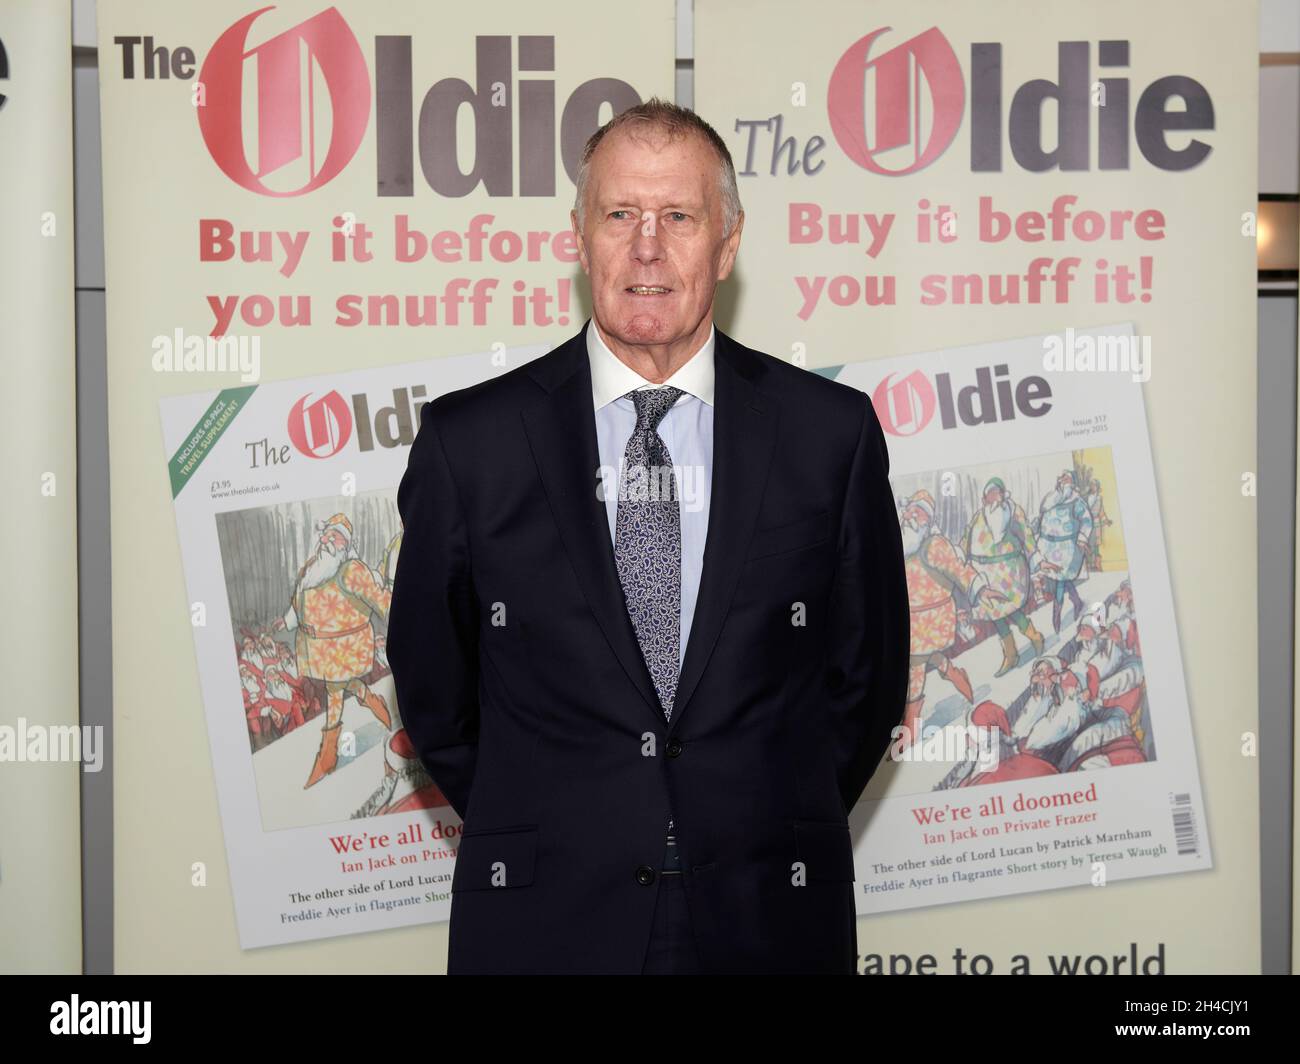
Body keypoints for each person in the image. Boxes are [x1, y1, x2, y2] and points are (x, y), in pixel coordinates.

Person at [386, 98, 909, 974]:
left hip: (767, 925)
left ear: (728, 243)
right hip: (546, 924)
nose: (647, 247)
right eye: (620, 214)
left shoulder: (831, 435)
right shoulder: (470, 444)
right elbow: (438, 692)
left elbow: (865, 683)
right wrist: (555, 818)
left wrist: (766, 814)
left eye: (679, 216)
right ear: (579, 237)